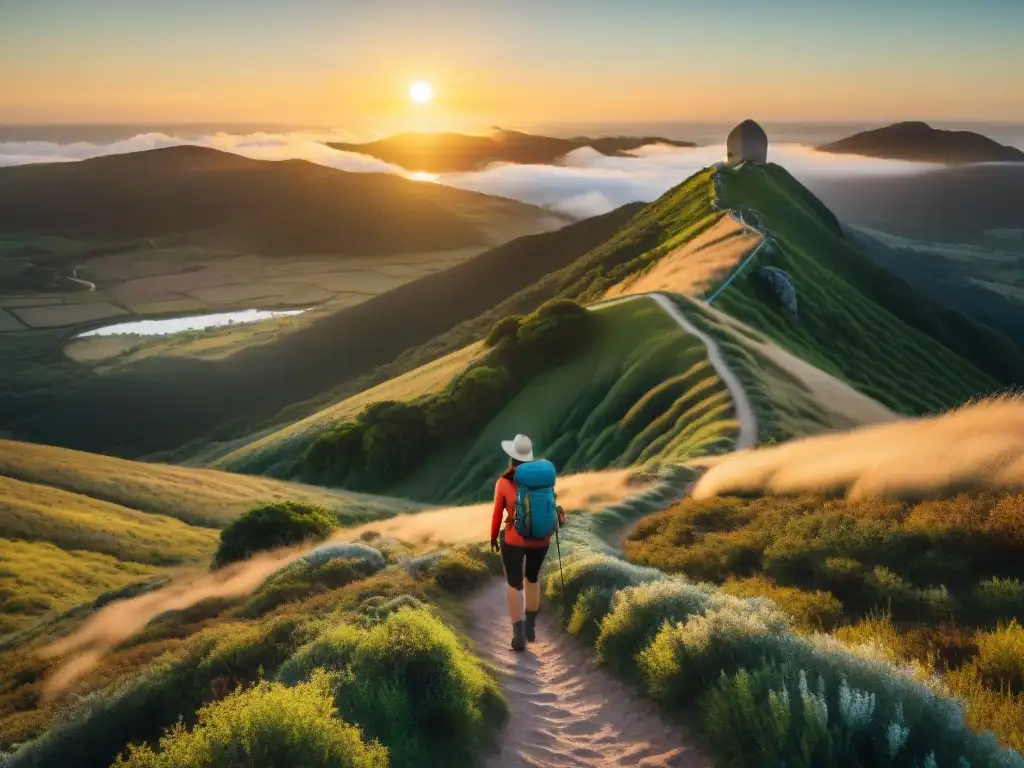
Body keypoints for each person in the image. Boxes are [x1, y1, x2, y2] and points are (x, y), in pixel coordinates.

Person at [490, 433, 564, 651]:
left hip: (514, 539)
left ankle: (518, 635)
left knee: (514, 585)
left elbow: (497, 515)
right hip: (541, 538)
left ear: (511, 457)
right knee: (532, 579)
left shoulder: (504, 482)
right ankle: (531, 624)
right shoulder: (542, 479)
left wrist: (494, 536)